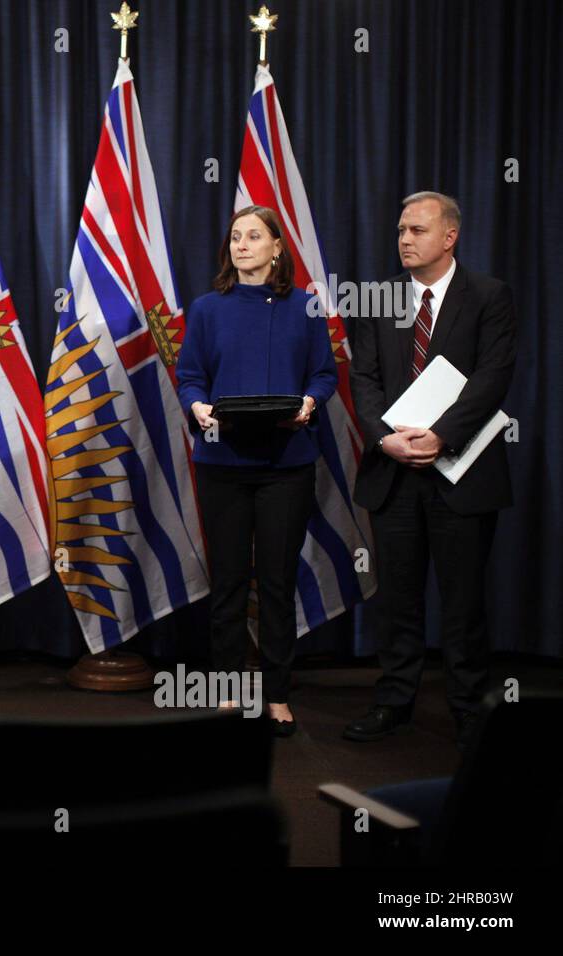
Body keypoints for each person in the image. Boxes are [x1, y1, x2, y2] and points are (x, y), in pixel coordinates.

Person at [344, 191, 516, 752]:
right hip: (393, 473)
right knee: (398, 598)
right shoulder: (377, 300)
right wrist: (384, 438)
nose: (404, 240)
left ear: (449, 236)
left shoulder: (489, 296)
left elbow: (493, 377)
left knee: (464, 601)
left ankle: (471, 710)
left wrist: (441, 435)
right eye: (399, 231)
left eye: (416, 230)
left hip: (461, 471)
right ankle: (394, 701)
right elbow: (363, 381)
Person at [176, 205, 339, 737]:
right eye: (235, 237)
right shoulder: (205, 309)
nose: (241, 244)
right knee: (226, 582)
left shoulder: (306, 308)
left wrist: (311, 404)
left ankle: (276, 695)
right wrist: (198, 408)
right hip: (222, 462)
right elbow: (190, 377)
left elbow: (323, 374)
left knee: (276, 581)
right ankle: (225, 690)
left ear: (276, 248)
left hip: (285, 464)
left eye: (253, 236)